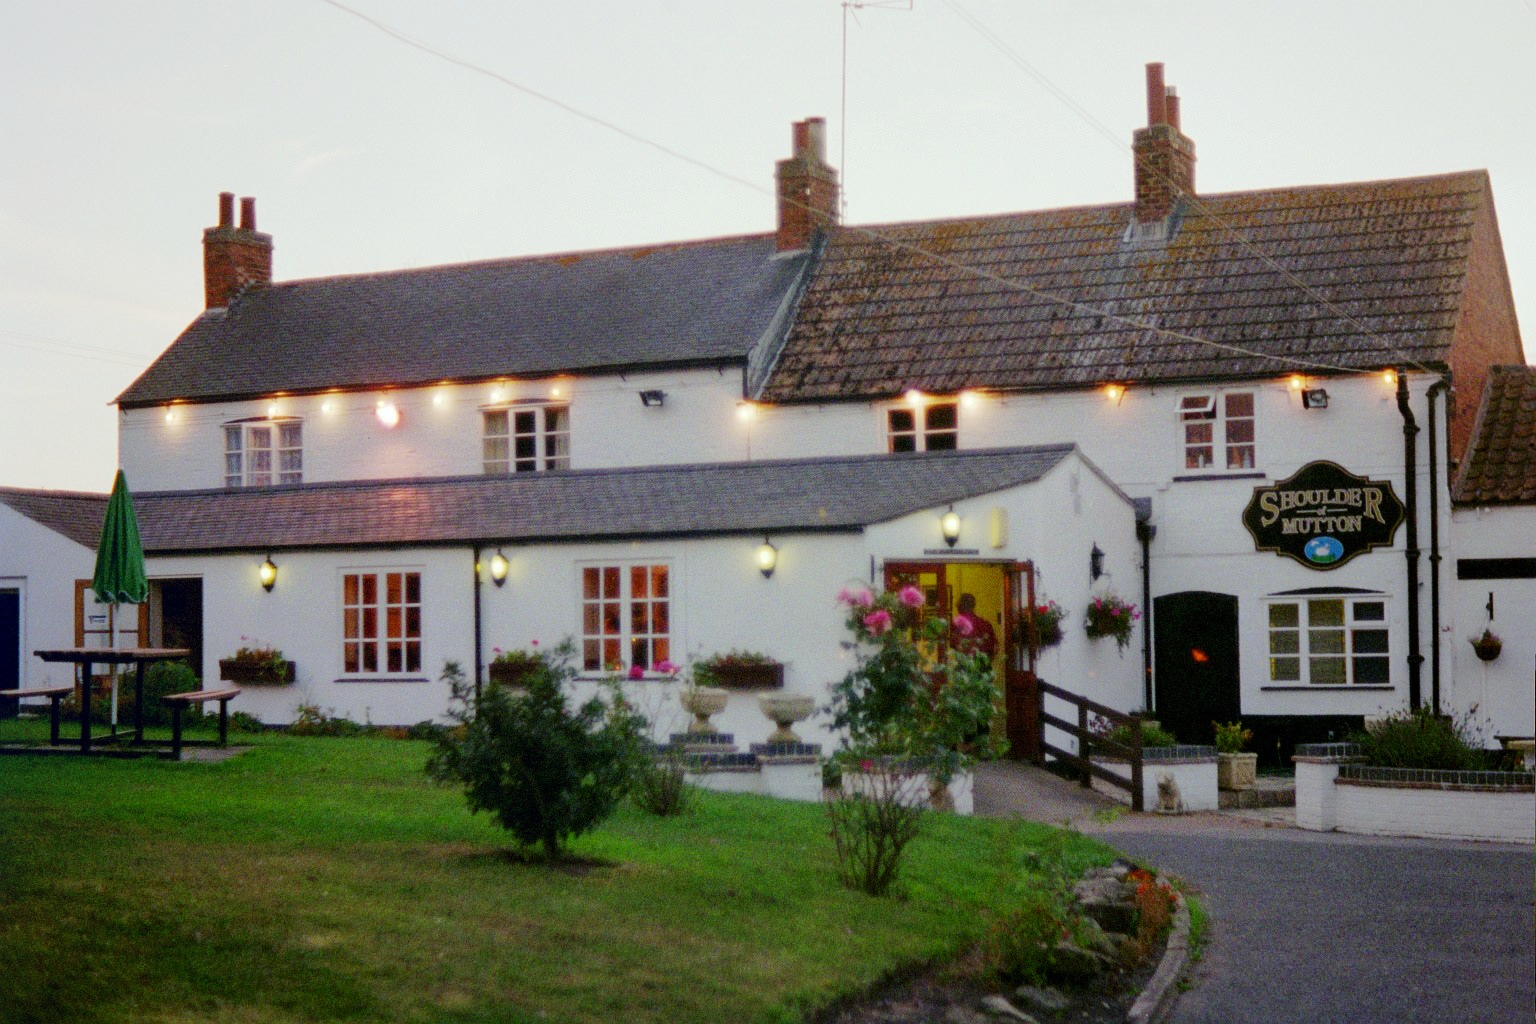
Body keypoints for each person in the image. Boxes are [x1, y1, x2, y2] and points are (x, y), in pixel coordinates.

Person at [952, 593, 998, 659]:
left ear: (960, 606)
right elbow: (995, 648)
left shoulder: (956, 623)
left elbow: (956, 646)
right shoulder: (985, 623)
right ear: (973, 606)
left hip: (966, 665)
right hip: (983, 664)